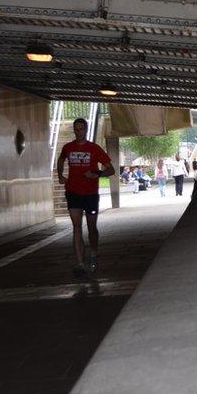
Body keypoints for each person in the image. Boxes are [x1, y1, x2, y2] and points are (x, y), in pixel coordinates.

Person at [56, 118, 115, 277]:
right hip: (73, 192)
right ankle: (80, 263)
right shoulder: (67, 147)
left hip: (90, 194)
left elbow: (111, 170)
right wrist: (60, 175)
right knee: (76, 227)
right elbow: (61, 159)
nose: (78, 132)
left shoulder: (94, 148)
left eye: (81, 129)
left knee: (91, 228)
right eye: (76, 129)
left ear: (86, 130)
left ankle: (94, 253)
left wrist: (97, 173)